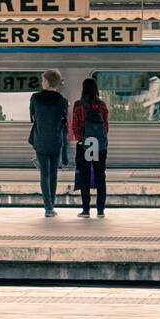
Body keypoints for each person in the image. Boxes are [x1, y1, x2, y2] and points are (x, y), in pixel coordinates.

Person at [29, 68, 69, 218]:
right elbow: (64, 120)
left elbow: (32, 117)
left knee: (44, 174)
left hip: (40, 140)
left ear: (47, 82)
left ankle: (48, 208)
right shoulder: (62, 101)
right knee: (53, 174)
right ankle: (52, 205)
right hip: (56, 140)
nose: (42, 82)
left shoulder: (35, 98)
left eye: (43, 80)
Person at [71, 77, 109, 219]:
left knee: (85, 176)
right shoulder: (102, 105)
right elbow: (106, 126)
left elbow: (76, 126)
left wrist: (81, 139)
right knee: (100, 176)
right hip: (99, 145)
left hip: (85, 145)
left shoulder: (79, 105)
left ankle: (86, 210)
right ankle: (100, 211)